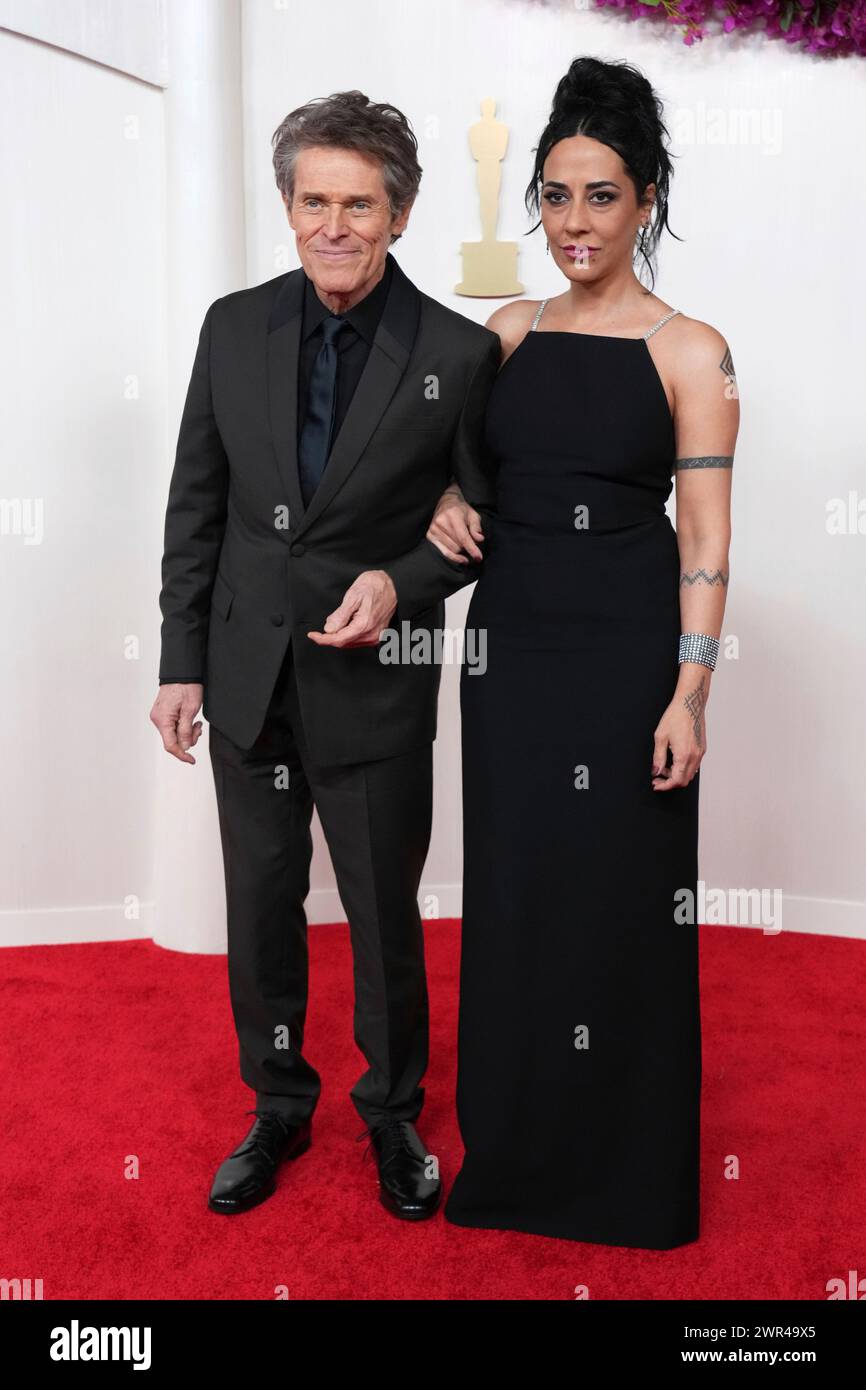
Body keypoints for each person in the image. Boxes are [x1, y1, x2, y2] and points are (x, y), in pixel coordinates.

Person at [150, 90, 500, 1221]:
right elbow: (195, 504)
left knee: (380, 910)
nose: (333, 225)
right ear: (288, 208)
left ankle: (392, 1114)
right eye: (314, 202)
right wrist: (179, 661)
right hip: (246, 675)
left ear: (398, 215)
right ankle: (277, 1101)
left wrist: (402, 579)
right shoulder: (229, 324)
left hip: (375, 676)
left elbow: (480, 523)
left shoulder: (454, 350)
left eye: (358, 203)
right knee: (260, 905)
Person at [427, 56, 738, 1249]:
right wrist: (439, 514)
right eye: (553, 195)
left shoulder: (690, 351)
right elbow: (448, 489)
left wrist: (688, 691)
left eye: (599, 196)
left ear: (645, 200)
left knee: (619, 909)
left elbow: (705, 538)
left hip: (623, 660)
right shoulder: (501, 333)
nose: (572, 221)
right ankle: (512, 1163)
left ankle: (625, 1178)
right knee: (514, 901)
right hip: (508, 659)